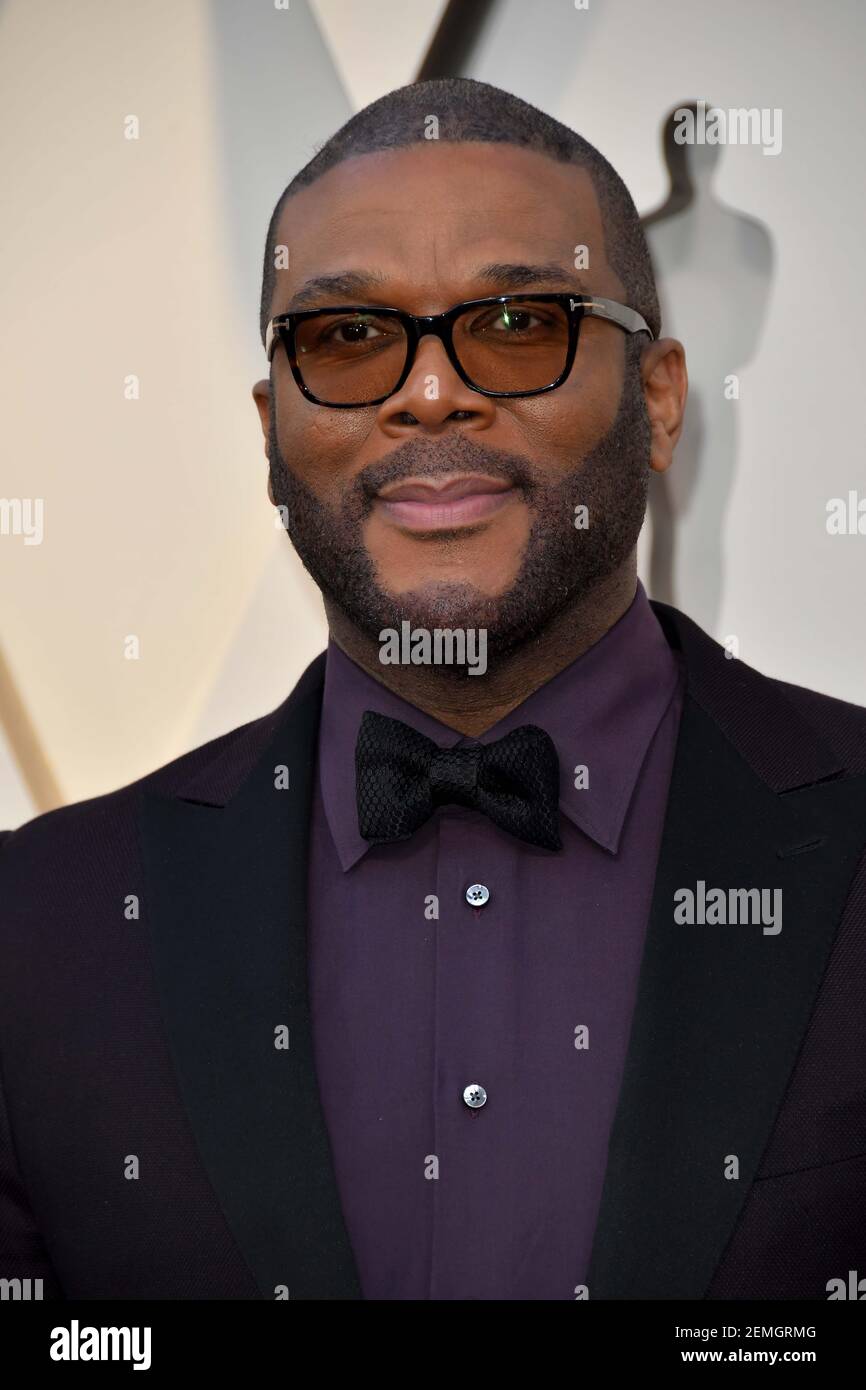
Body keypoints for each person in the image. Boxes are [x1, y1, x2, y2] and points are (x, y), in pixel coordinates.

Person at [1, 78, 864, 1302]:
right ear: (269, 430)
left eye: (516, 322)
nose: (426, 393)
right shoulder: (37, 928)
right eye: (346, 338)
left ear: (658, 399)